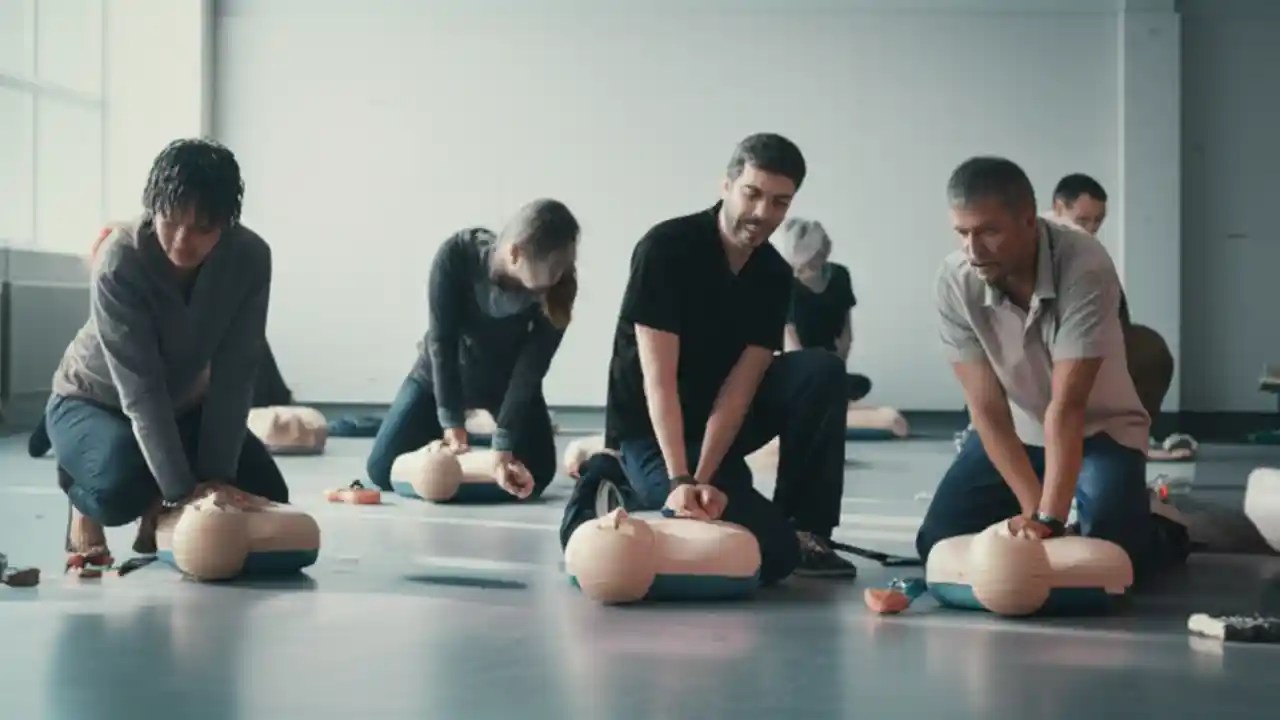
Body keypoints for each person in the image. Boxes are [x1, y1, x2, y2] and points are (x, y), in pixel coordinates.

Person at [569, 132, 856, 582]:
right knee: (764, 552)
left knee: (822, 371)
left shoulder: (774, 274)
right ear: (726, 185)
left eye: (779, 202)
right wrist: (681, 480)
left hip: (714, 428)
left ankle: (806, 531)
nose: (763, 213)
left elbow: (740, 390)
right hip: (651, 430)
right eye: (752, 194)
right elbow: (658, 382)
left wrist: (703, 477)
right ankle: (613, 470)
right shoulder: (666, 248)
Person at [917, 156, 1189, 579]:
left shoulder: (1085, 265)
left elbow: (1068, 406)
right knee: (937, 540)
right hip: (1023, 427)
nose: (973, 250)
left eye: (989, 232)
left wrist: (1048, 519)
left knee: (1116, 559)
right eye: (963, 233)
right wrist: (1035, 513)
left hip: (1101, 429)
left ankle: (1160, 522)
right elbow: (986, 409)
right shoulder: (954, 280)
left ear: (1029, 220)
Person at [44, 138, 289, 562]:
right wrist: (181, 494)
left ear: (226, 223)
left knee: (264, 494)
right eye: (170, 221)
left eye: (202, 228)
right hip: (94, 401)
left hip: (182, 407)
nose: (181, 241)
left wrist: (215, 482)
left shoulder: (250, 258)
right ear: (152, 206)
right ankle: (80, 496)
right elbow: (141, 390)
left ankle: (160, 503)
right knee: (119, 491)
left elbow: (235, 376)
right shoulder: (120, 259)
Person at [365, 199, 578, 499]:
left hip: (505, 383)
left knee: (536, 476)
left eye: (562, 270)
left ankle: (475, 445)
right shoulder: (455, 256)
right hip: (440, 377)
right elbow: (442, 342)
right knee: (380, 469)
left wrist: (503, 442)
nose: (556, 281)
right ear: (515, 253)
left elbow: (531, 369)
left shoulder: (559, 286)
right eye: (549, 273)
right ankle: (455, 445)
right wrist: (451, 420)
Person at [1046, 173, 1175, 432]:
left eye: (1098, 221)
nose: (1091, 229)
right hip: (1047, 341)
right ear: (1058, 208)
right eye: (1083, 220)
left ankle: (1130, 433)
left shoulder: (1087, 251)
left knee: (1151, 351)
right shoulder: (1036, 244)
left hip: (1090, 335)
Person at [773, 217, 872, 403]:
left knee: (859, 384)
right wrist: (815, 372)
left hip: (832, 359)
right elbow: (791, 345)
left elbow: (846, 333)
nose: (818, 257)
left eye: (820, 250)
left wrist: (836, 364)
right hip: (799, 366)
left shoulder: (839, 275)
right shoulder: (785, 284)